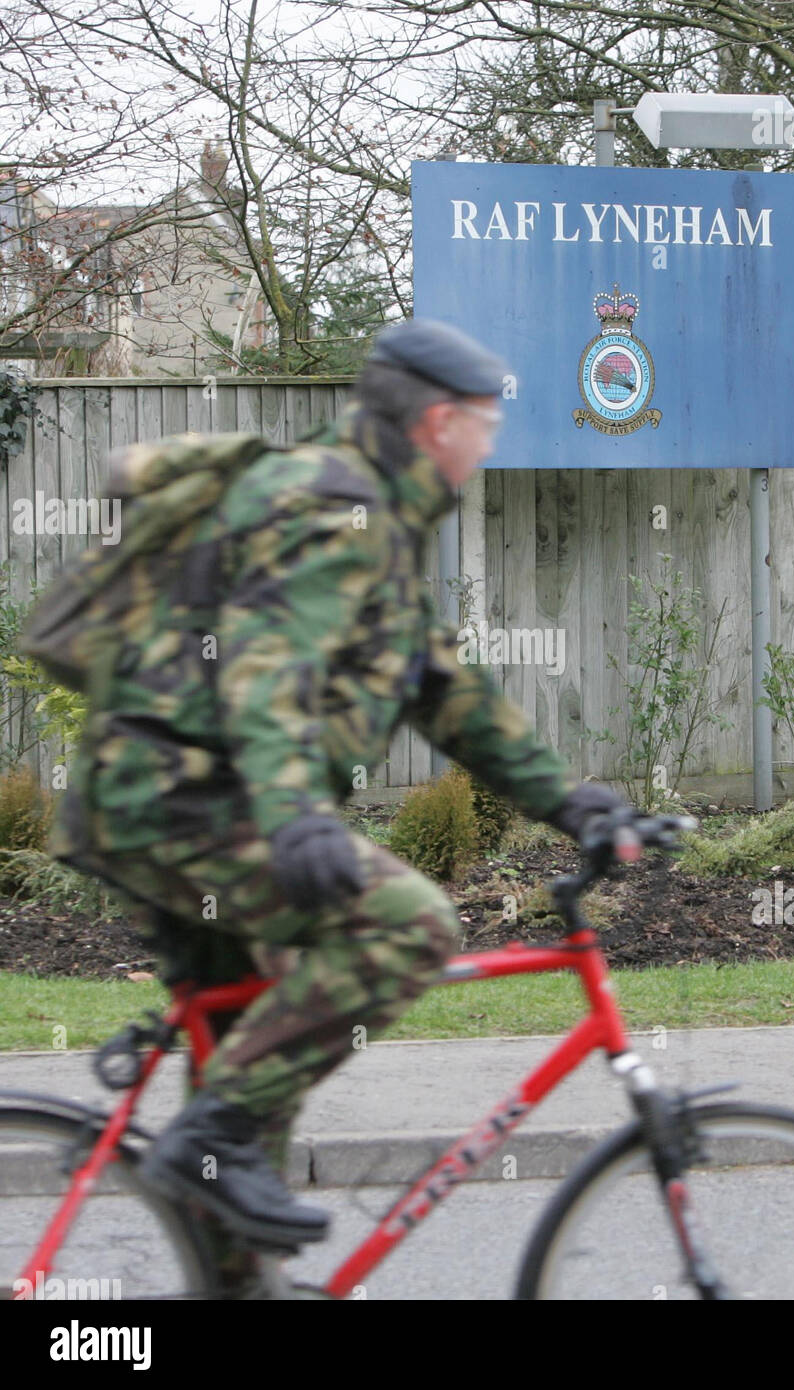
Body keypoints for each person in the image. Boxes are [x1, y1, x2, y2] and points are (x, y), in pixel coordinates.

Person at [48, 318, 636, 1265]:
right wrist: (292, 816)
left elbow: (444, 690)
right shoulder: (335, 504)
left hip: (163, 800)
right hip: (183, 801)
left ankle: (226, 1234)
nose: (490, 446)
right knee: (408, 924)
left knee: (248, 1087)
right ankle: (211, 1144)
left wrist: (570, 803)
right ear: (439, 422)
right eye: (485, 425)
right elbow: (266, 663)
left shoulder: (373, 518)